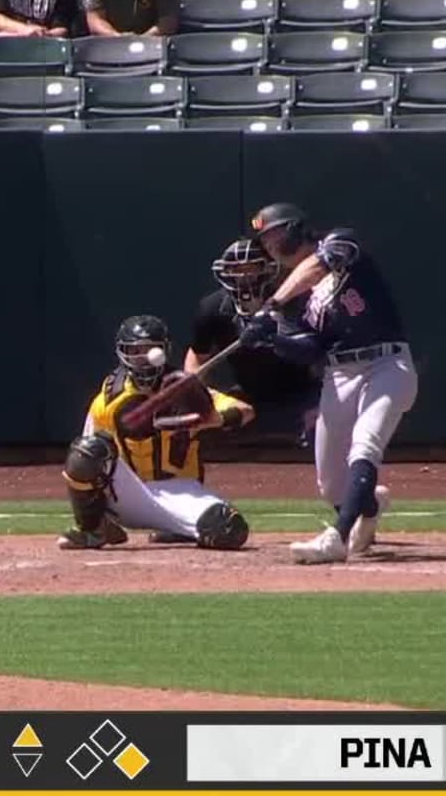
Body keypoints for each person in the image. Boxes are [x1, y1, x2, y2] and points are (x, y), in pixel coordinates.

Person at [237, 203, 416, 564]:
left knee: (364, 446)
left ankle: (337, 536)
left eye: (274, 234)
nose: (270, 245)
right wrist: (271, 339)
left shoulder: (341, 243)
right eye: (264, 241)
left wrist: (271, 305)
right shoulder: (298, 300)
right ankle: (370, 504)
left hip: (386, 364)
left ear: (296, 228)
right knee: (330, 484)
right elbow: (310, 350)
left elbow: (317, 264)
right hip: (340, 374)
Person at [57, 314, 251, 551]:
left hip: (180, 491)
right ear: (122, 353)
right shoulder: (110, 398)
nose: (145, 358)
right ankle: (94, 528)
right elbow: (85, 453)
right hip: (128, 493)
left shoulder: (185, 390)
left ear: (165, 350)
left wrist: (213, 419)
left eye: (151, 349)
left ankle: (177, 528)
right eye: (136, 350)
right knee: (87, 451)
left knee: (230, 530)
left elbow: (246, 411)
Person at [186, 236, 322, 447]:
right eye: (237, 270)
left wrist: (274, 338)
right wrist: (198, 394)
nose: (245, 277)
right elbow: (197, 356)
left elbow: (315, 349)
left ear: (266, 269)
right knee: (207, 426)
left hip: (300, 393)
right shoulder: (213, 308)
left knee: (322, 429)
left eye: (251, 269)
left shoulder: (290, 300)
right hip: (249, 396)